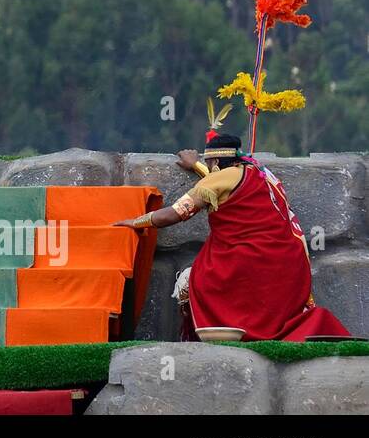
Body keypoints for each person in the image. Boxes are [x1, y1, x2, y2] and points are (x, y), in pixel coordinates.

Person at [113, 120, 349, 342]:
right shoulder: (262, 175)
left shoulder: (216, 180)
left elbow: (174, 214)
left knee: (188, 281)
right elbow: (225, 185)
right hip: (287, 269)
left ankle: (216, 339)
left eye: (207, 163)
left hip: (247, 266)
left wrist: (136, 222)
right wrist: (196, 166)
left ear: (214, 163)